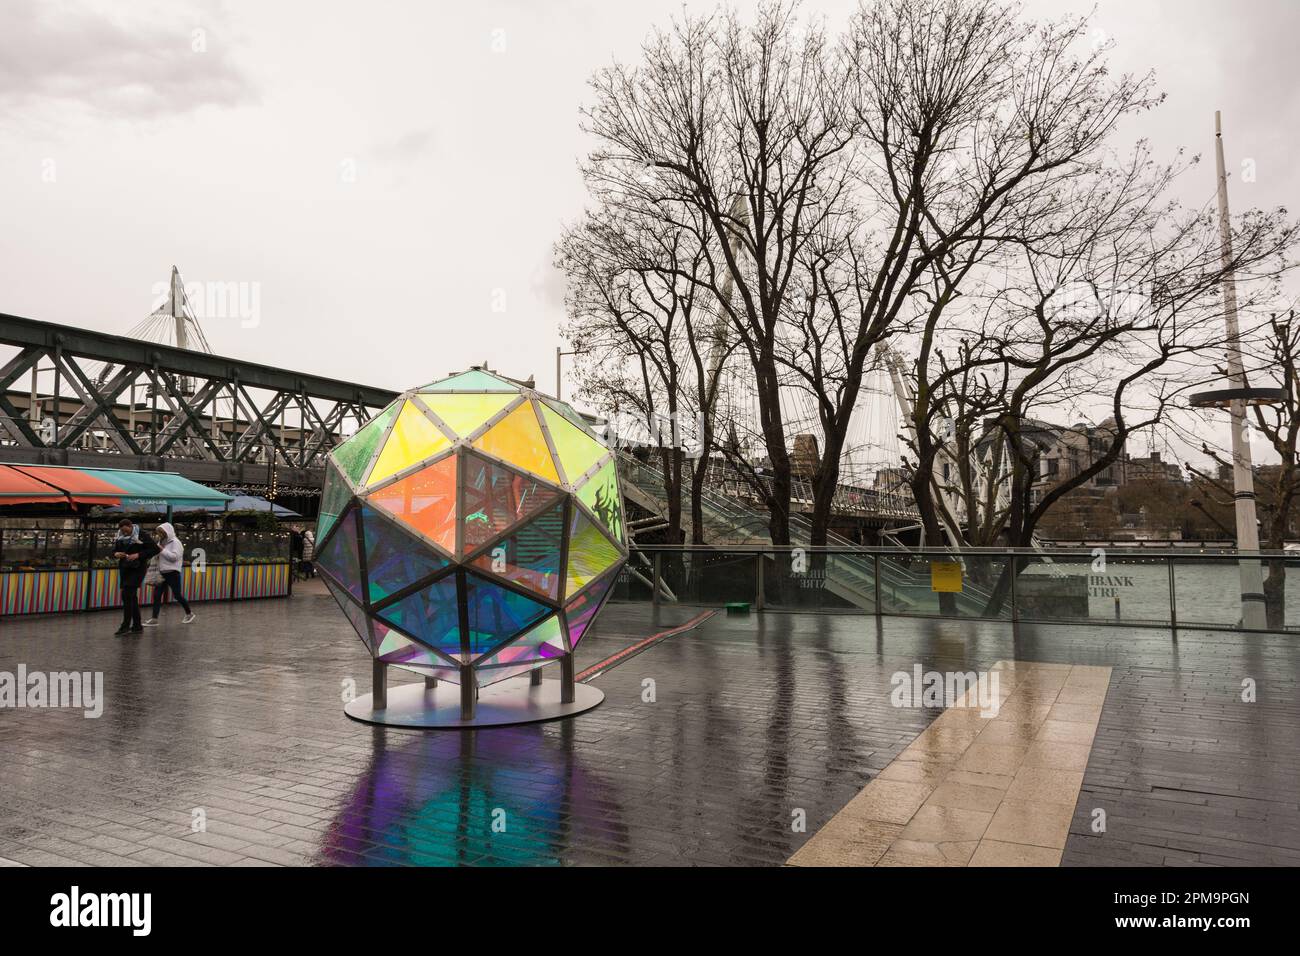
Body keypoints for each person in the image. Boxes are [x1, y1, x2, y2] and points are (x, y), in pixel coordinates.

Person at [143, 522, 195, 627]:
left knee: (177, 595)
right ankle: (154, 619)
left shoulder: (176, 542)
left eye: (162, 532)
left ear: (168, 531)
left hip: (172, 572)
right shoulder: (161, 542)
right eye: (159, 532)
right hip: (162, 572)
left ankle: (189, 613)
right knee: (157, 596)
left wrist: (162, 550)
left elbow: (174, 557)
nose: (160, 534)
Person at [113, 519, 159, 636]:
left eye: (126, 531)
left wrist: (138, 555)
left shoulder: (142, 535)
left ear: (131, 526)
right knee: (130, 597)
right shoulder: (119, 536)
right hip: (125, 568)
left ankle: (125, 625)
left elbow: (155, 549)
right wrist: (116, 554)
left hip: (137, 568)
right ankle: (137, 625)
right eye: (122, 531)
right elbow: (114, 550)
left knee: (127, 595)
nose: (125, 534)